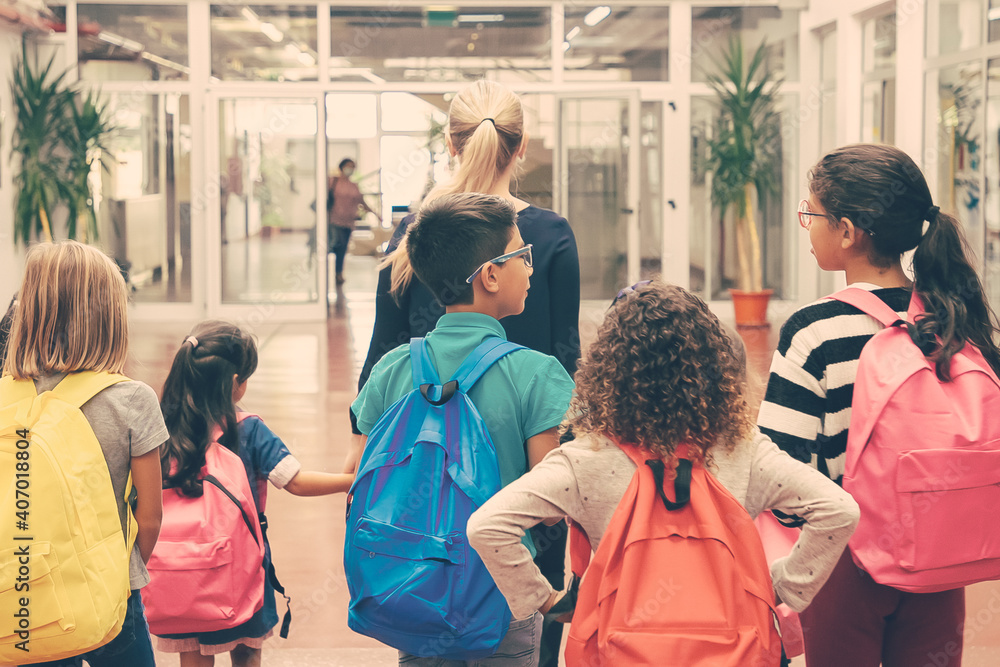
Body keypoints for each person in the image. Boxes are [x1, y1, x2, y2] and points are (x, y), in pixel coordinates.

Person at [467, 281, 860, 654]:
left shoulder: (584, 461)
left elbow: (487, 526)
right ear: (714, 369)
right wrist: (778, 588)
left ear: (610, 371)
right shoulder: (745, 453)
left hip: (622, 646)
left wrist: (545, 601)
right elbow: (838, 511)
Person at [355, 80, 581, 664]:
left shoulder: (416, 234)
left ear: (450, 144)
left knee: (426, 626)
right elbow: (567, 352)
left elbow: (382, 350)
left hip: (421, 511)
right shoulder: (547, 235)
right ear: (521, 145)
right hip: (521, 486)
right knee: (516, 630)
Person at [757, 143, 1000, 666]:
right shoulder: (952, 316)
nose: (809, 226)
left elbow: (778, 466)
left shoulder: (814, 329)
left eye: (812, 215)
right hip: (939, 552)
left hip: (844, 560)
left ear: (847, 231)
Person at [155, 320, 354, 667]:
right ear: (235, 385)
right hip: (239, 561)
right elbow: (295, 481)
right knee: (246, 650)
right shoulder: (249, 430)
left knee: (194, 652)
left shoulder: (166, 430)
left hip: (180, 568)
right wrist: (350, 480)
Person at [5, 241, 167, 667]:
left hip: (23, 595)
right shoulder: (131, 400)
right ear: (109, 316)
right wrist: (122, 570)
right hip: (108, 593)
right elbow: (150, 517)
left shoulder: (5, 396)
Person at [328, 157, 381, 286]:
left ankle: (338, 272)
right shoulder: (332, 181)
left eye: (352, 167)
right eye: (348, 166)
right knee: (337, 245)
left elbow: (361, 202)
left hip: (348, 222)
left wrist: (376, 214)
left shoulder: (354, 186)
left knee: (342, 249)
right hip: (334, 221)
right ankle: (334, 272)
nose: (350, 169)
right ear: (341, 167)